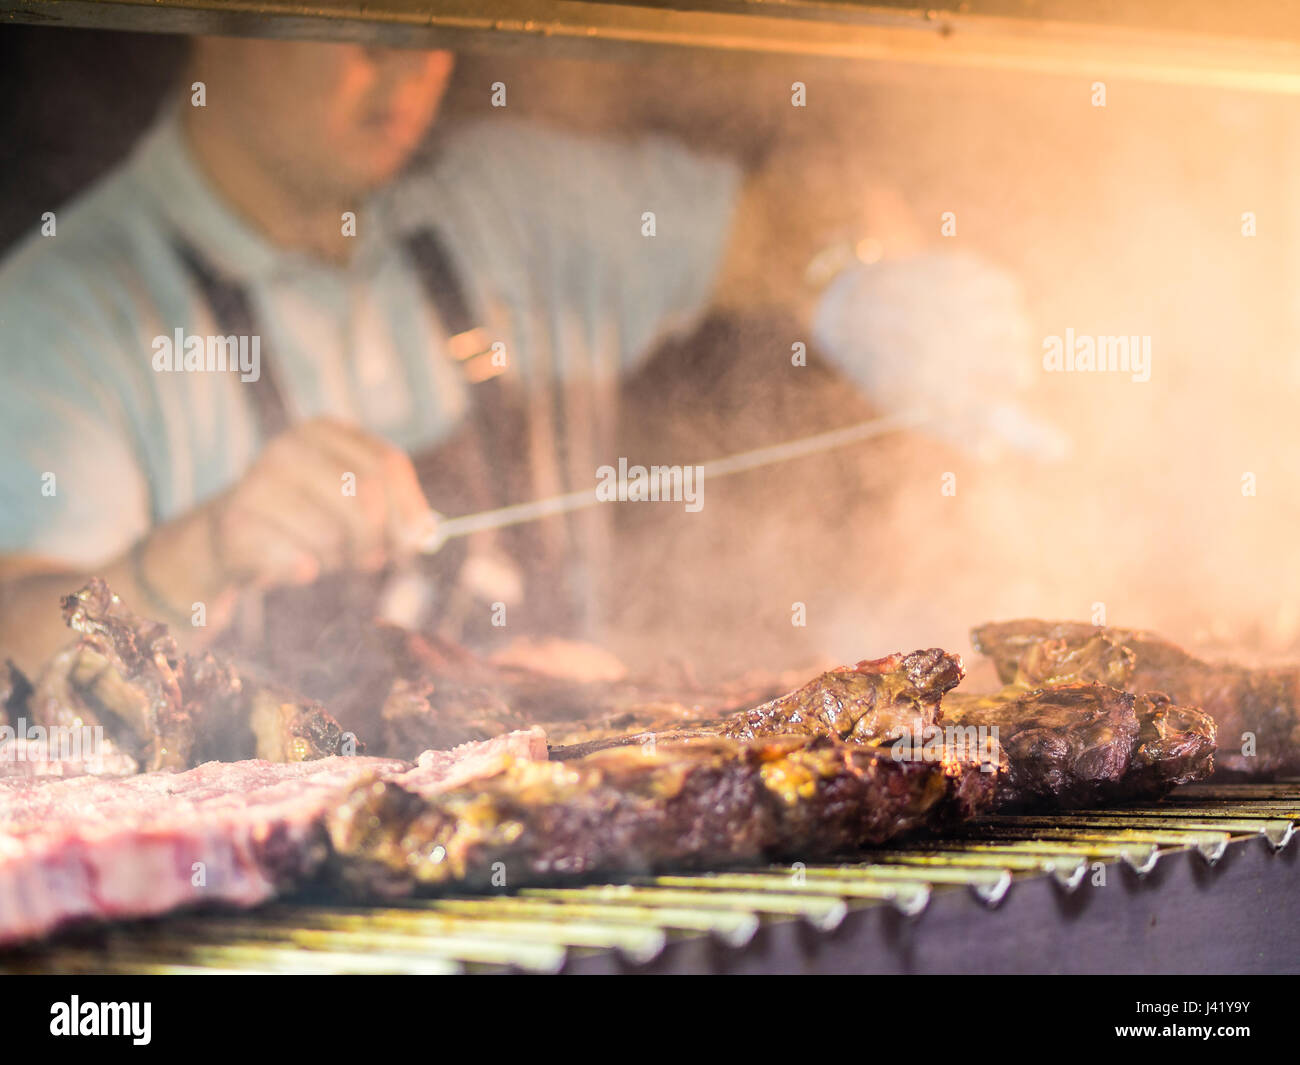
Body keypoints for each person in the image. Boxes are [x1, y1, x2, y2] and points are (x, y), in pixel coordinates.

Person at [0, 37, 1052, 675]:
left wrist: (855, 277)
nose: (408, 69)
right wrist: (203, 552)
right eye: (363, 29)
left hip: (564, 819)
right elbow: (14, 649)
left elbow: (791, 211)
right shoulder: (64, 310)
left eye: (430, 30)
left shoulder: (509, 203)